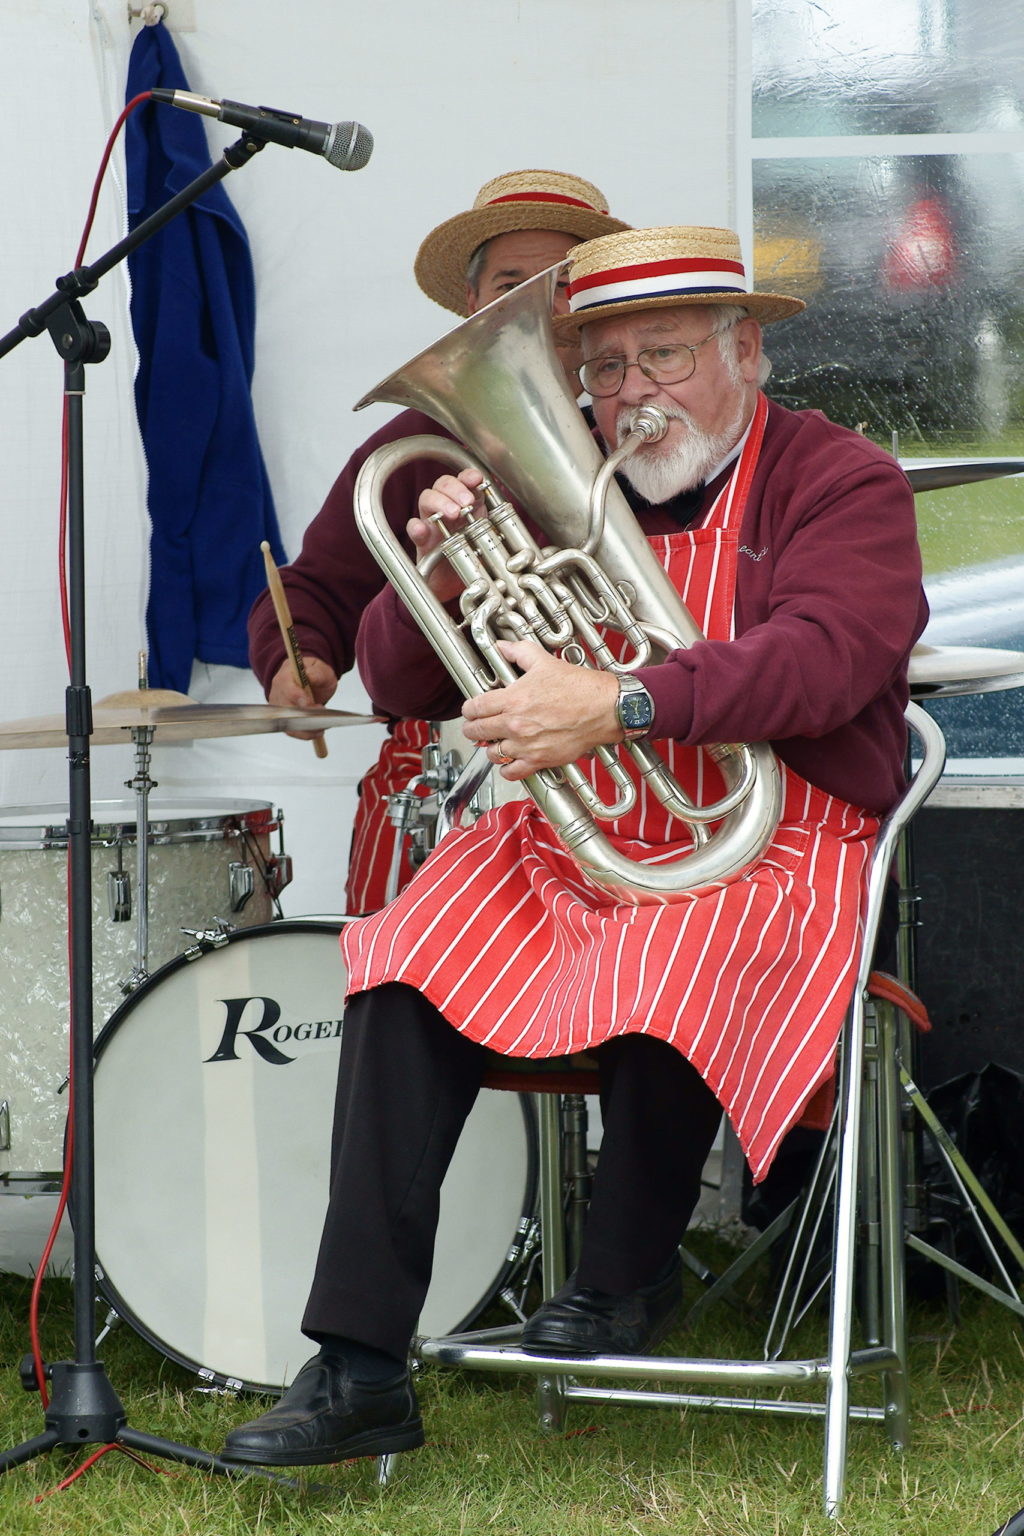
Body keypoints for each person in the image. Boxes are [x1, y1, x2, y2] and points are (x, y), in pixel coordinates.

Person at [222, 223, 929, 1467]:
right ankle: (358, 1361)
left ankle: (623, 1271)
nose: (627, 397)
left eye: (661, 358)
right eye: (602, 371)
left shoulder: (839, 480)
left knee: (671, 934)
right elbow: (395, 681)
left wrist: (626, 703)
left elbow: (829, 656)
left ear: (747, 352)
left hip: (780, 839)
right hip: (593, 833)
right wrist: (436, 574)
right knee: (405, 947)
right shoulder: (556, 479)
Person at [247, 169, 629, 914]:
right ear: (472, 304)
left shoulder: (647, 431)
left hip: (617, 758)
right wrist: (299, 658)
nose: (535, 307)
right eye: (512, 283)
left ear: (596, 302)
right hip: (448, 770)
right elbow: (317, 585)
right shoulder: (412, 445)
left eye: (561, 285)